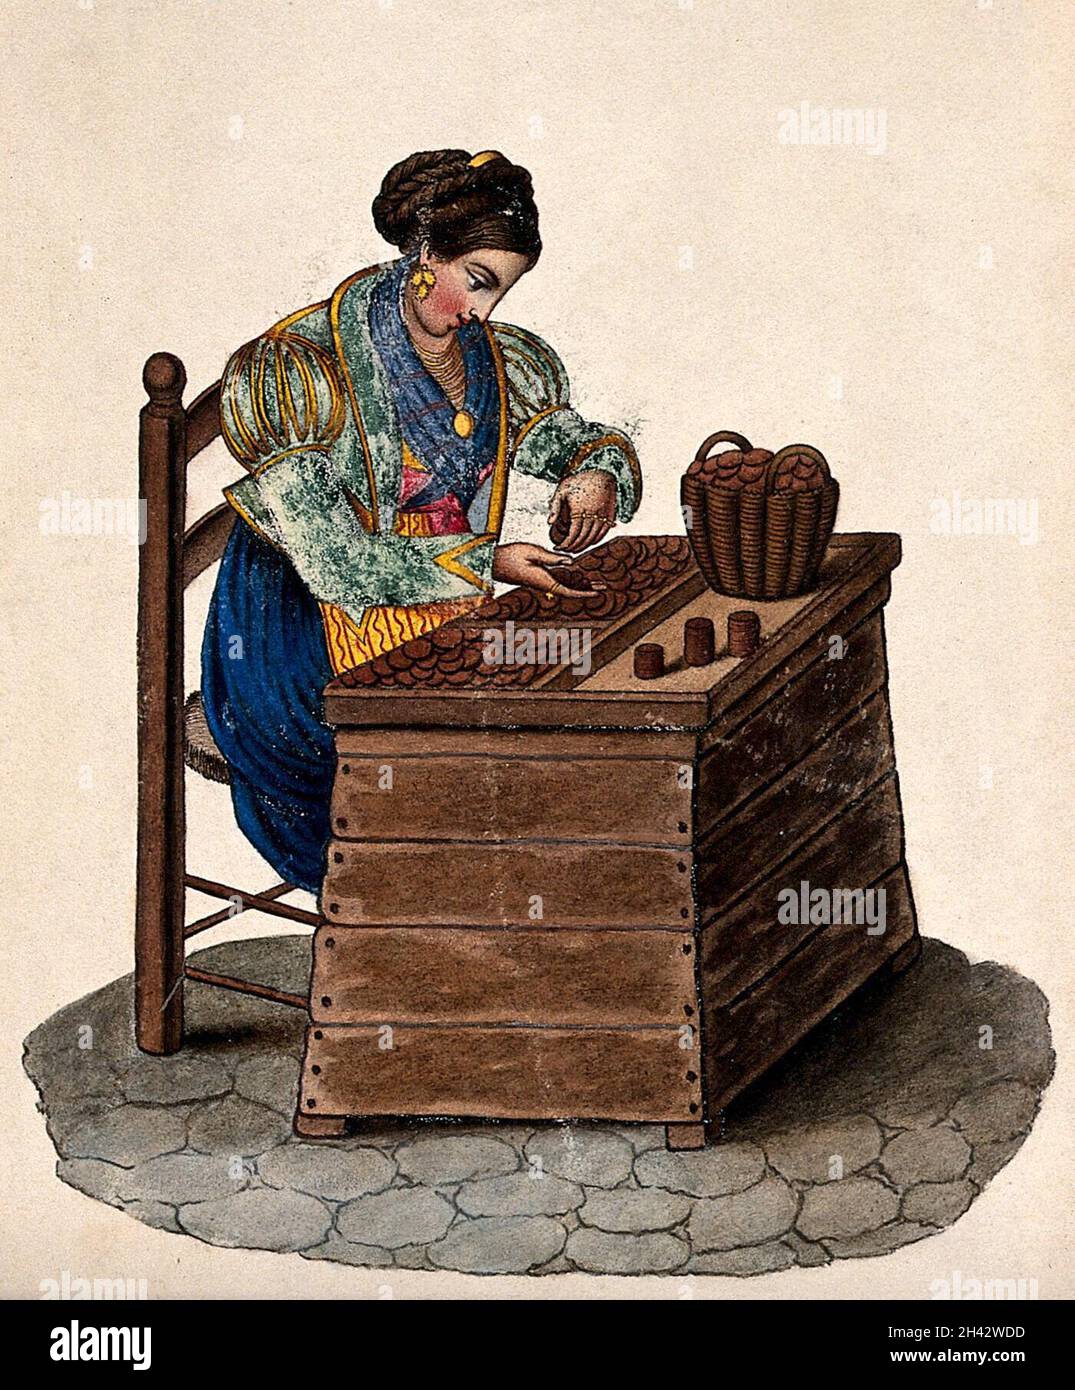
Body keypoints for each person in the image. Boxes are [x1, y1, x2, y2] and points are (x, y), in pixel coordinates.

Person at [202, 148, 641, 893]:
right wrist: (490, 562)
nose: (482, 310)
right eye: (476, 281)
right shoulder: (300, 366)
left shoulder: (492, 359)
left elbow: (562, 436)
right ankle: (427, 943)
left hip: (437, 620)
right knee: (450, 776)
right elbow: (335, 564)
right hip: (297, 637)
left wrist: (596, 470)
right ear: (423, 252)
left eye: (500, 290)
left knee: (570, 728)